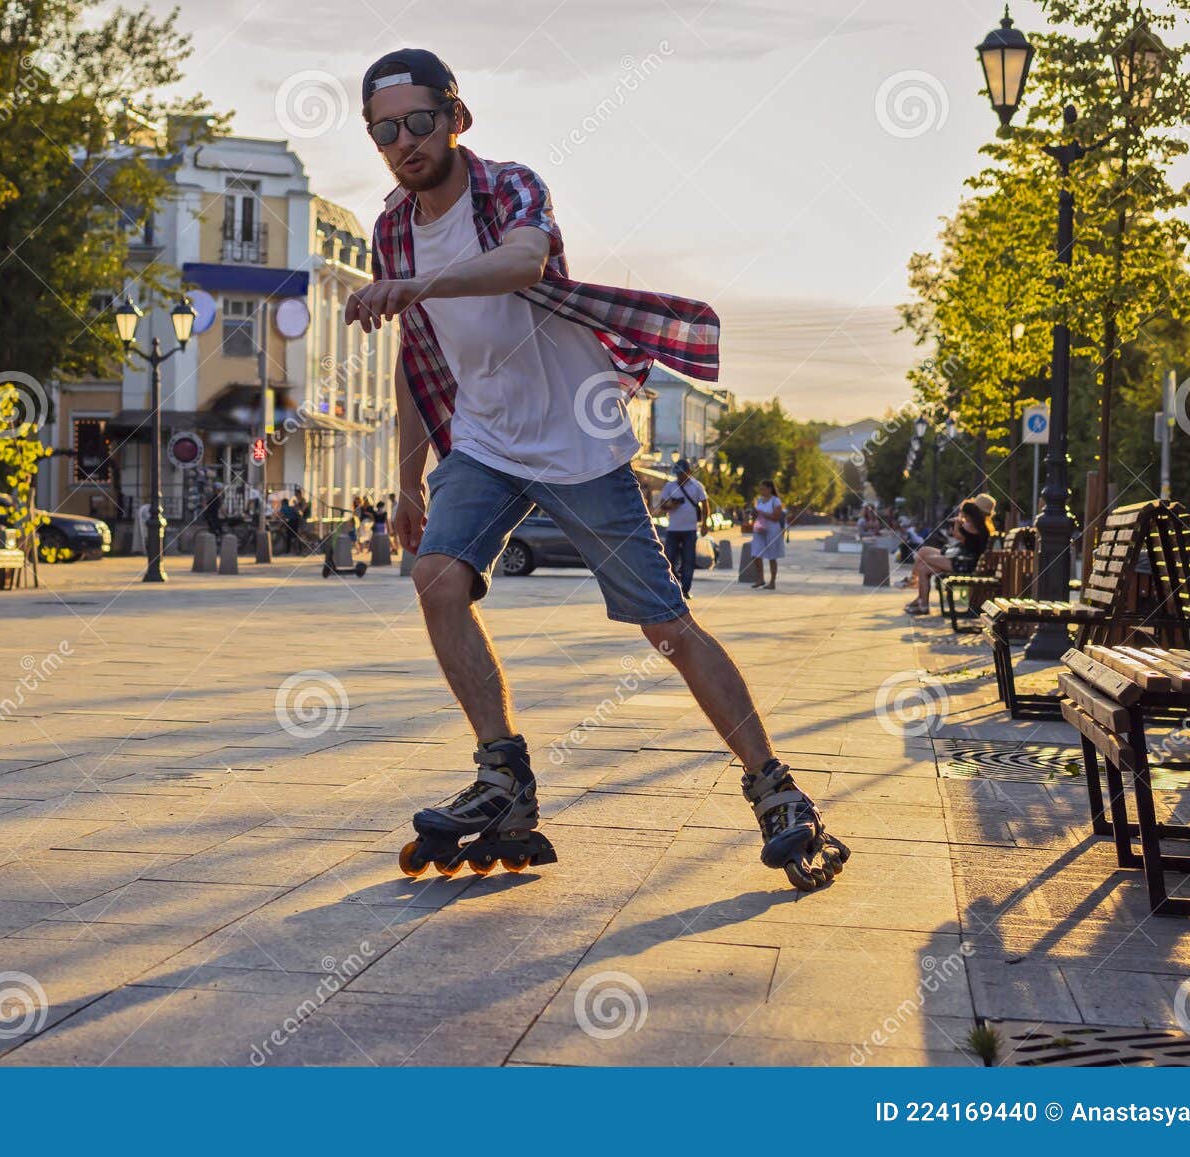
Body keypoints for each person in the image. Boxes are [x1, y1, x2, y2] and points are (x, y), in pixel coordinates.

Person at [345, 48, 847, 891]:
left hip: (576, 435)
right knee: (434, 577)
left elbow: (522, 263)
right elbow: (413, 350)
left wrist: (420, 283)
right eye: (384, 130)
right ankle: (504, 775)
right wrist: (404, 476)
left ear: (456, 119)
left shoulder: (507, 186)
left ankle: (775, 788)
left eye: (419, 121)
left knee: (667, 626)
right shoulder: (392, 226)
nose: (404, 142)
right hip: (482, 439)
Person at [904, 499, 993, 615]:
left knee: (924, 558)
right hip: (966, 561)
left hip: (964, 563)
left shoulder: (971, 526)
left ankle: (917, 593)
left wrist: (957, 522)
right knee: (924, 569)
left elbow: (957, 535)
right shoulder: (980, 526)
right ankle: (923, 604)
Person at [655, 458, 708, 600]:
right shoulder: (670, 486)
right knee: (669, 558)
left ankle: (685, 589)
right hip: (673, 529)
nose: (680, 476)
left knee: (688, 560)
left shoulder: (697, 486)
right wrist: (672, 505)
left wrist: (704, 524)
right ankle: (672, 586)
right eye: (677, 474)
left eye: (682, 473)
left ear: (689, 472)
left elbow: (705, 504)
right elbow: (662, 506)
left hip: (690, 529)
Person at [749, 479, 786, 590]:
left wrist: (763, 514)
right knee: (755, 554)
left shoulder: (776, 501)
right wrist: (754, 513)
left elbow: (776, 517)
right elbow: (756, 514)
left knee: (772, 556)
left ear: (770, 489)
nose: (761, 491)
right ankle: (760, 579)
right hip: (759, 530)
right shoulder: (759, 500)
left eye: (763, 489)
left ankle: (772, 581)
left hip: (772, 530)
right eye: (760, 489)